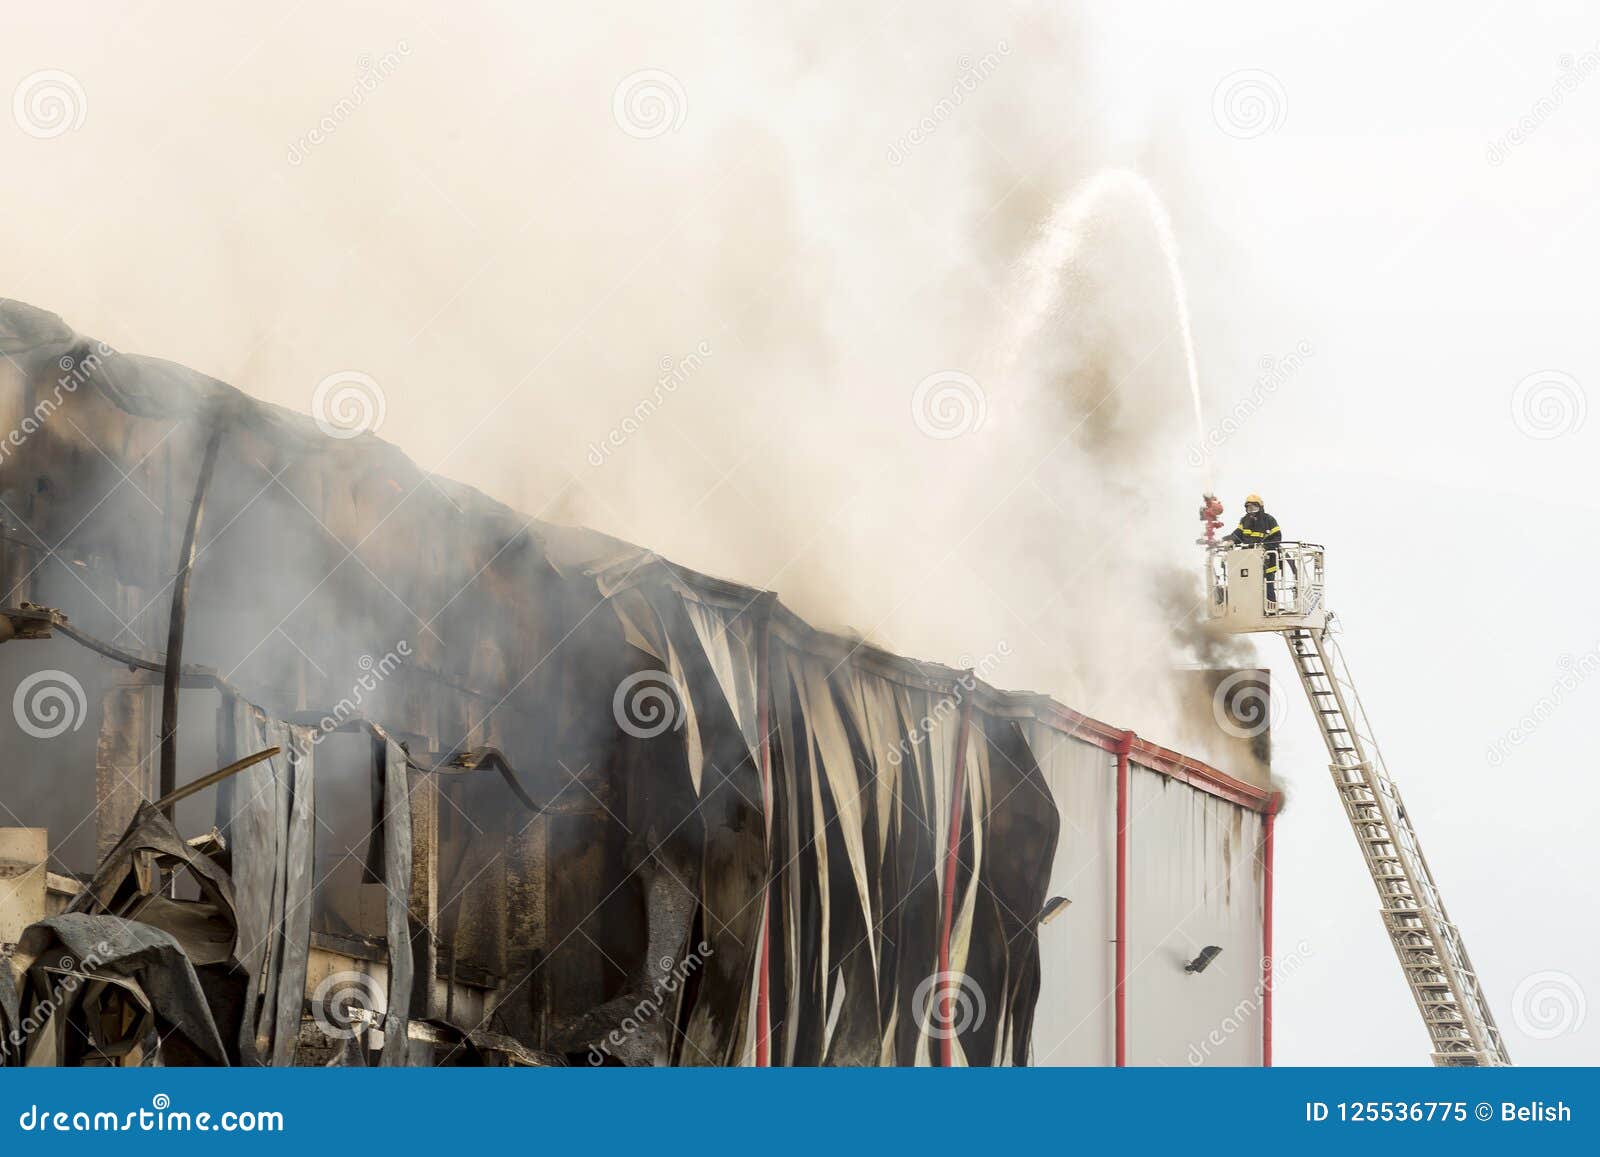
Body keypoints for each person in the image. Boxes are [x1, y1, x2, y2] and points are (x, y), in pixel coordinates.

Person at [1226, 494, 1287, 607]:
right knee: (1247, 586)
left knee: (1268, 586)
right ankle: (1248, 609)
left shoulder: (1269, 520)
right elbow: (1237, 534)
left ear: (1261, 508)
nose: (1252, 511)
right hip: (1248, 561)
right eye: (1249, 508)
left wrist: (1265, 547)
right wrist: (1231, 541)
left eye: (1254, 508)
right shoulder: (1244, 521)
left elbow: (1277, 537)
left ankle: (1271, 609)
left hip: (1268, 562)